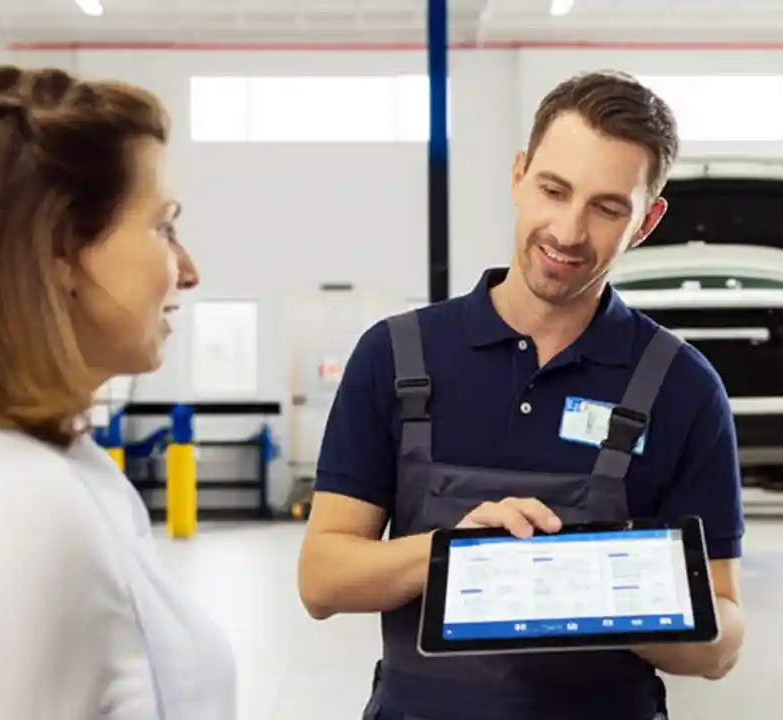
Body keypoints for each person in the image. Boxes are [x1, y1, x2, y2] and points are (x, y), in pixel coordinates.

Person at [297, 70, 745, 720]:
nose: (567, 231)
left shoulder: (683, 388)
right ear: (518, 175)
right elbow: (321, 577)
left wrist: (597, 597)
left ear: (646, 220)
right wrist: (458, 554)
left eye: (607, 207)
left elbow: (724, 636)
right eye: (553, 190)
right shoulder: (395, 358)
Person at [0, 65, 235, 719]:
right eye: (163, 227)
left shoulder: (42, 466)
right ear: (61, 249)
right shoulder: (17, 506)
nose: (189, 270)